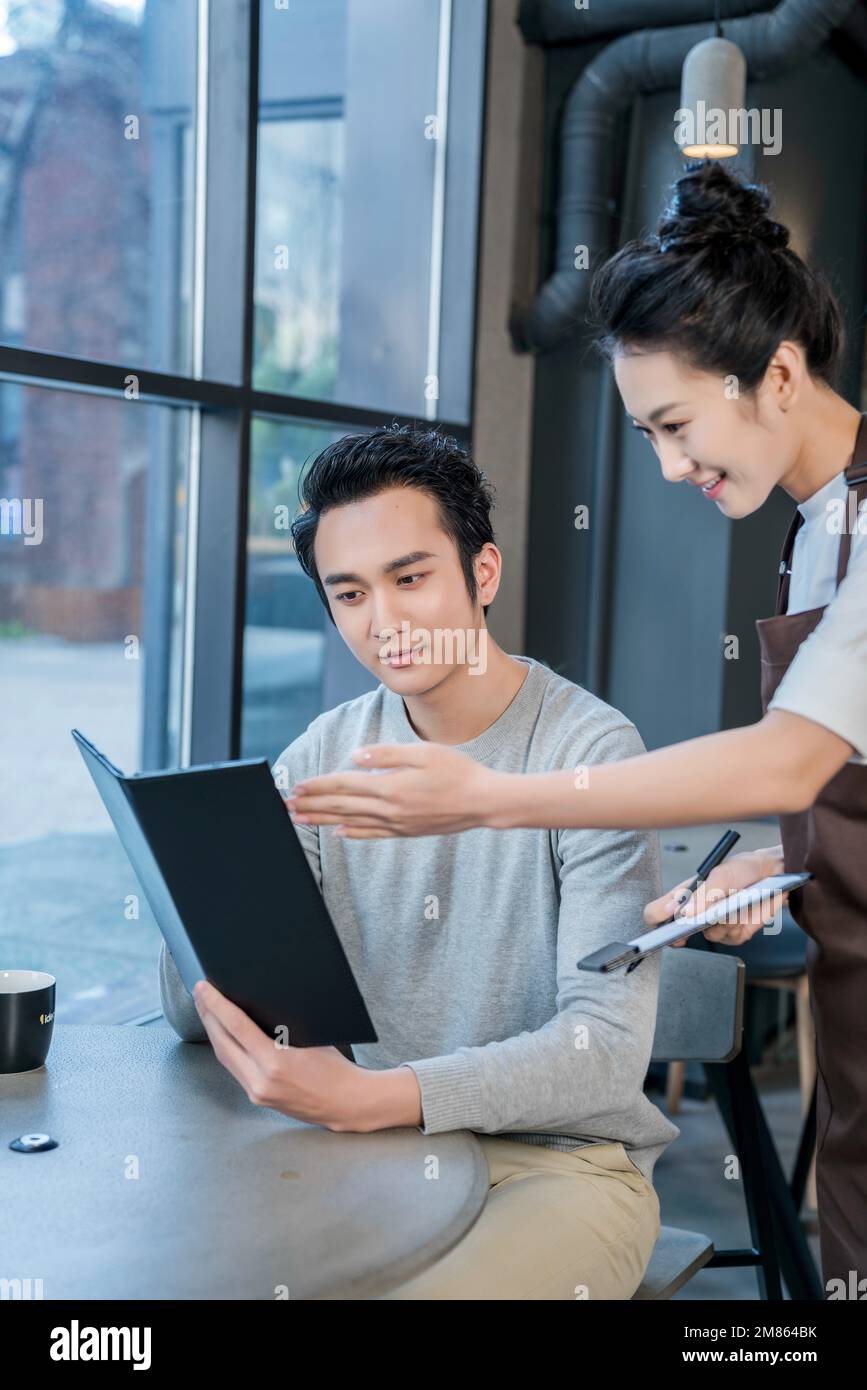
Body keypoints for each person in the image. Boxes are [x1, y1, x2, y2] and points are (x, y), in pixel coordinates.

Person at [286, 161, 867, 1296]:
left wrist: (484, 794)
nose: (665, 463)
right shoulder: (815, 532)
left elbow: (792, 755)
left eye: (675, 423)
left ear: (780, 372)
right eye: (643, 431)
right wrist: (787, 861)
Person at [159, 424, 679, 1300]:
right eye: (351, 593)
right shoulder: (327, 749)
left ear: (481, 573)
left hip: (553, 1165)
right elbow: (190, 1014)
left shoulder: (592, 748)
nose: (385, 622)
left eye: (410, 578)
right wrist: (216, 895)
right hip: (365, 1150)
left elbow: (601, 1056)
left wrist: (374, 1096)